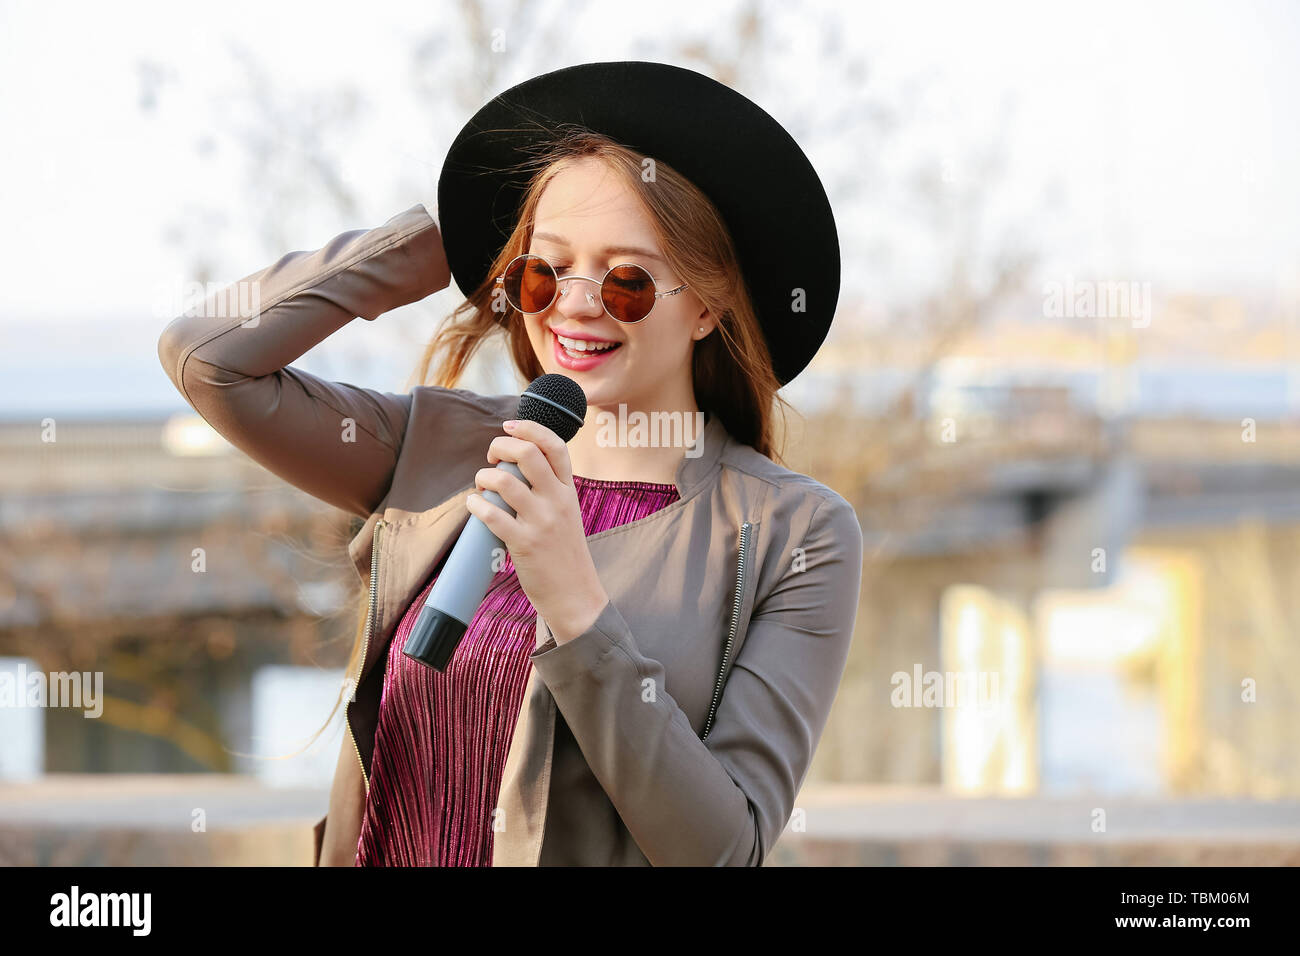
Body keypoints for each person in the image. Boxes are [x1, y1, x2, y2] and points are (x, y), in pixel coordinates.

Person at [157, 60, 863, 867]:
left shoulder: (792, 532)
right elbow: (208, 360)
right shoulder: (439, 447)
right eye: (544, 268)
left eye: (627, 280)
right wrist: (439, 239)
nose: (575, 302)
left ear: (705, 304)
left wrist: (577, 607)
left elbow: (722, 850)